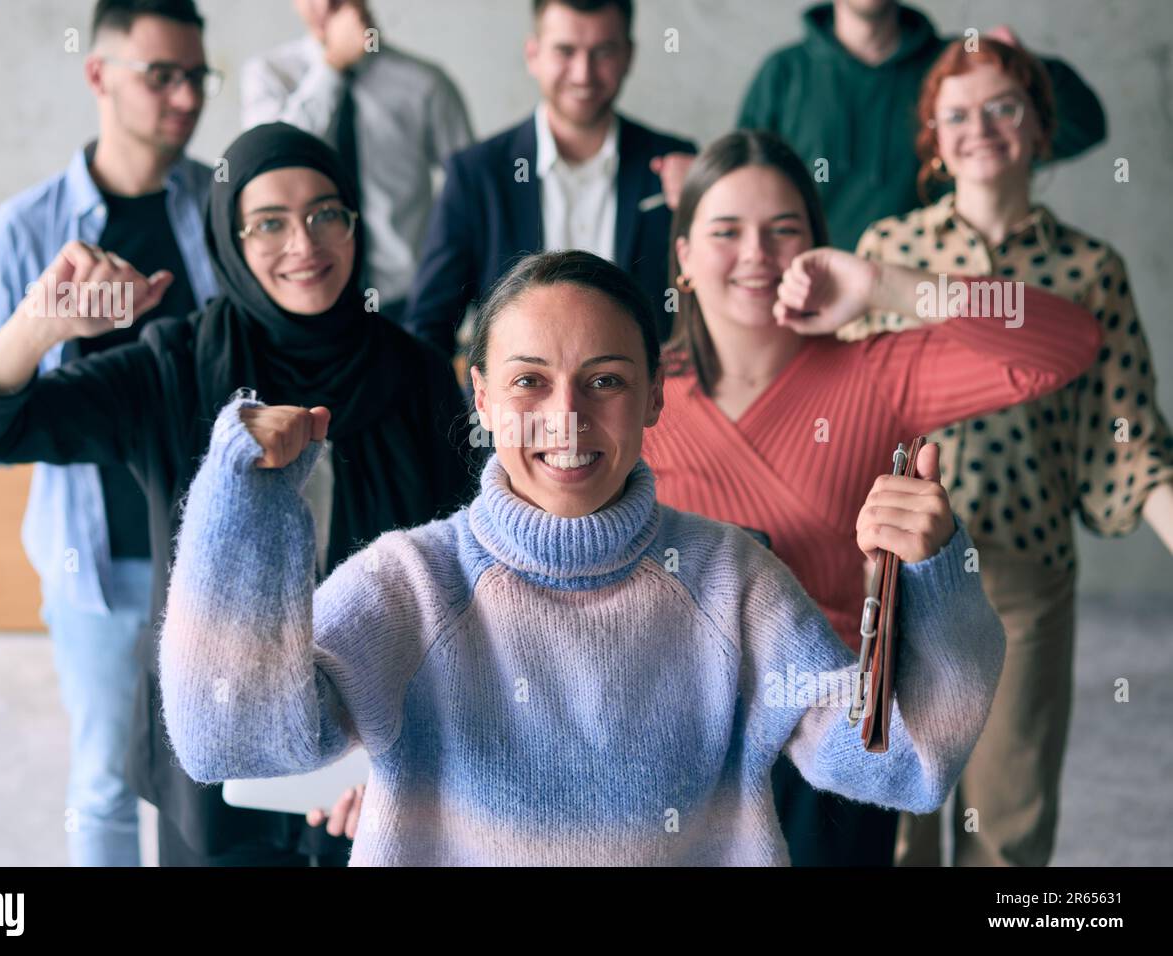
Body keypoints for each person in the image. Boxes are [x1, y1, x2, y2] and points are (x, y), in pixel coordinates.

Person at [160, 249, 1007, 866]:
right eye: (529, 381)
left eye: (604, 380)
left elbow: (901, 763)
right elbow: (227, 739)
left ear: (652, 397)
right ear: (482, 398)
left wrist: (936, 572)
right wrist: (245, 504)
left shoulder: (730, 582)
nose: (567, 418)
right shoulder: (410, 584)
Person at [0, 124, 476, 866]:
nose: (304, 244)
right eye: (269, 223)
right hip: (217, 760)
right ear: (229, 239)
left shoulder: (413, 373)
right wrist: (38, 326)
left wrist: (412, 749)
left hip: (371, 758)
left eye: (326, 213)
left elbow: (458, 573)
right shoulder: (177, 366)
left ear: (355, 223)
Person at [638, 128, 1106, 865]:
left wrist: (887, 285)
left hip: (832, 749)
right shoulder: (635, 393)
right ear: (685, 259)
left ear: (817, 248)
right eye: (726, 231)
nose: (757, 253)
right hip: (668, 741)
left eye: (783, 230)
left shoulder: (874, 374)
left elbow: (1069, 339)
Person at [837, 38, 1173, 866]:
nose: (978, 128)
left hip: (1023, 578)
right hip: (901, 580)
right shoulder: (885, 254)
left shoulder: (1090, 269)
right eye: (956, 114)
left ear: (1037, 128)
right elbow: (839, 419)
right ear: (933, 140)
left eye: (1002, 107)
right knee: (897, 827)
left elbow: (1128, 442)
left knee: (1010, 832)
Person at [0, 0, 219, 867]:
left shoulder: (222, 210)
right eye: (162, 75)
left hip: (214, 549)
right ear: (97, 75)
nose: (185, 97)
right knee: (108, 781)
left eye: (196, 76)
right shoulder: (23, 230)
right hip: (97, 559)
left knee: (212, 778)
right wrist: (54, 324)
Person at [653, 1, 1105, 250]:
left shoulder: (957, 73)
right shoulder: (783, 75)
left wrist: (1020, 67)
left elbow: (1082, 124)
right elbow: (748, 193)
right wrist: (704, 185)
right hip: (811, 311)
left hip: (939, 300)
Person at [402, 0, 694, 358]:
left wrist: (711, 200)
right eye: (565, 51)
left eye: (603, 51)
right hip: (510, 410)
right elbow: (428, 328)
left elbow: (707, 308)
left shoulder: (675, 161)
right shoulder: (477, 173)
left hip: (649, 409)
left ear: (628, 56)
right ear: (533, 54)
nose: (583, 74)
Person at [242, 0, 474, 316]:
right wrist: (332, 66)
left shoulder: (425, 85)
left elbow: (471, 193)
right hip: (305, 294)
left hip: (408, 302)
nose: (323, 4)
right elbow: (270, 162)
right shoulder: (268, 76)